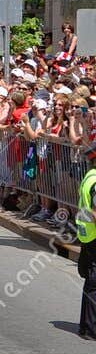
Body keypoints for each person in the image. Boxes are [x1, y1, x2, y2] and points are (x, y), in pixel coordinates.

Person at [76, 141, 96, 341]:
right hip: (94, 236)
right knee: (94, 283)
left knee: (91, 281)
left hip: (88, 236)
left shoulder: (89, 176)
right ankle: (90, 329)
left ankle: (86, 326)